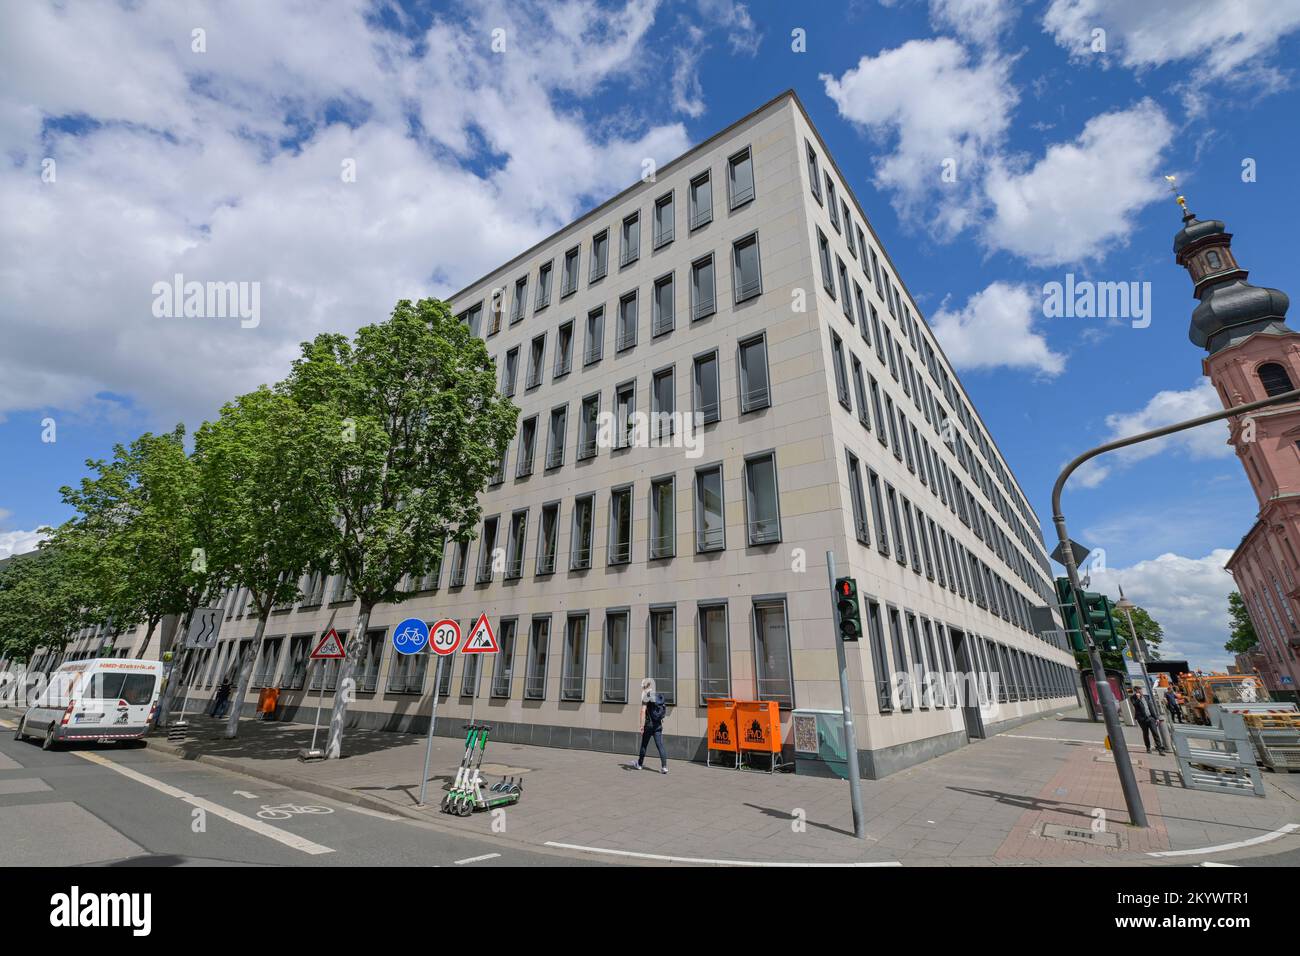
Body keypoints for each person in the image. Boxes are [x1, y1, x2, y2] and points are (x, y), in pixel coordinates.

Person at [632, 678, 668, 774]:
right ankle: (664, 767)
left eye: (642, 686)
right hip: (658, 725)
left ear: (645, 686)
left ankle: (639, 764)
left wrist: (641, 725)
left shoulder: (646, 697)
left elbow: (643, 711)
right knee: (660, 745)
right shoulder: (657, 696)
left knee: (644, 745)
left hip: (648, 725)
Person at [1130, 686, 1165, 754]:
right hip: (1142, 719)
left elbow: (1151, 708)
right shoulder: (1133, 698)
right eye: (1138, 691)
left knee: (1155, 733)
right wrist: (1138, 698)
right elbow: (1135, 705)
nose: (1140, 691)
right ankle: (1148, 748)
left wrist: (1156, 718)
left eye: (1141, 690)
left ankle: (1160, 749)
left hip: (1150, 718)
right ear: (1135, 691)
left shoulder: (1146, 697)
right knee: (1146, 734)